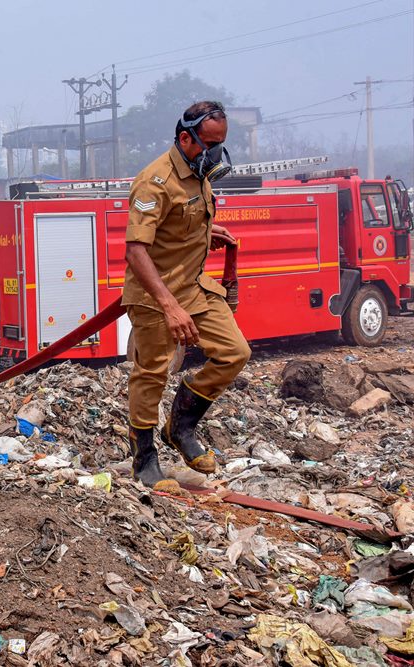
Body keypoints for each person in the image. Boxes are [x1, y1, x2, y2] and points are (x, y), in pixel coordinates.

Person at [122, 100, 250, 491]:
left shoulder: (199, 175)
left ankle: (181, 425)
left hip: (193, 288)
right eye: (209, 143)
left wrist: (205, 234)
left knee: (235, 352)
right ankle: (144, 459)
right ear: (185, 137)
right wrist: (169, 306)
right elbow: (136, 249)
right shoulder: (155, 181)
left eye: (221, 144)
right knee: (153, 373)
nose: (215, 153)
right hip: (155, 296)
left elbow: (177, 225)